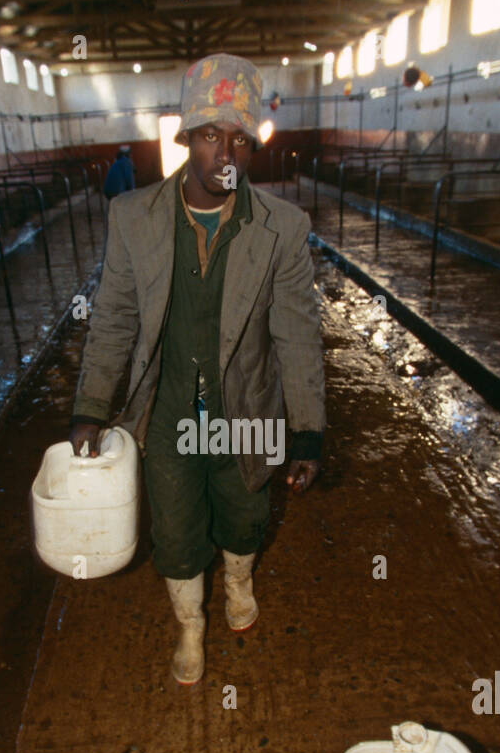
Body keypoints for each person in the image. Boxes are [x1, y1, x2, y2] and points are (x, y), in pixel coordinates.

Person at [70, 53, 326, 686]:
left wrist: (308, 431)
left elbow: (296, 331)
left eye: (240, 138)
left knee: (244, 514)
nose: (225, 153)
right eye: (211, 134)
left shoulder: (283, 228)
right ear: (186, 137)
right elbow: (114, 317)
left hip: (247, 405)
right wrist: (91, 407)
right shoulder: (133, 218)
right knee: (177, 528)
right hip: (167, 408)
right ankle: (189, 624)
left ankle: (238, 581)